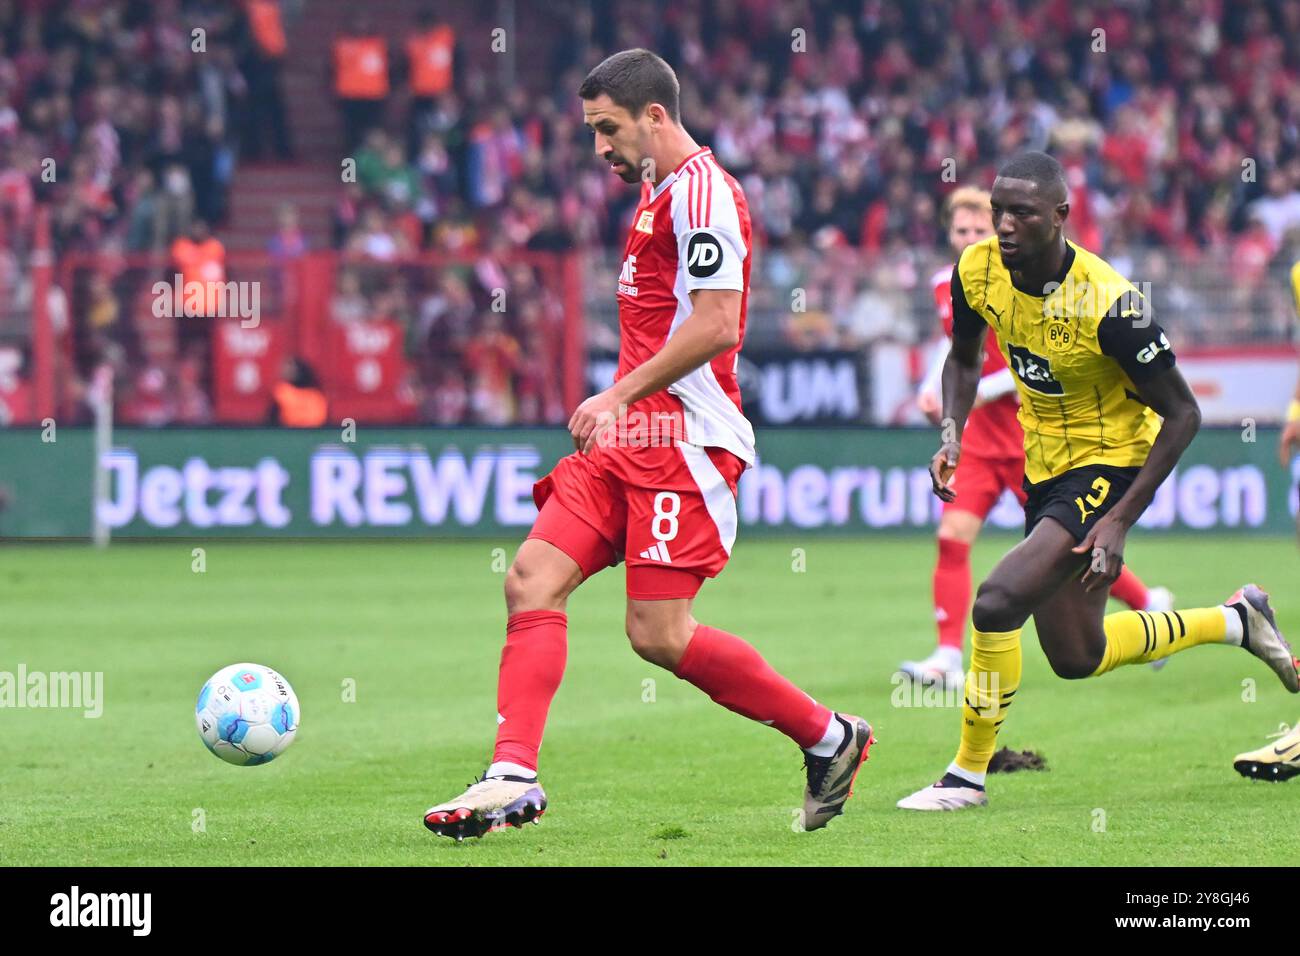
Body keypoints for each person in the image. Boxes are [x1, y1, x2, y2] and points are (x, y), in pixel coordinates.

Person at [423, 49, 873, 841]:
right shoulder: (656, 190)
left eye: (608, 129)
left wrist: (617, 391)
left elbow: (717, 322)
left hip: (685, 440)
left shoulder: (704, 194)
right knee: (531, 579)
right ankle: (513, 775)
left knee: (657, 635)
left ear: (654, 117)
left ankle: (830, 737)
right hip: (629, 439)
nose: (599, 147)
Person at [897, 152, 1298, 812]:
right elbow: (963, 360)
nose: (1002, 226)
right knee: (1077, 655)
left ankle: (966, 777)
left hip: (1111, 467)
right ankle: (1235, 621)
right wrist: (952, 432)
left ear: (1060, 218)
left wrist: (1119, 518)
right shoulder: (978, 271)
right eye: (998, 211)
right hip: (1044, 466)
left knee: (996, 602)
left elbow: (1184, 413)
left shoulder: (1111, 305)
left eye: (1021, 213)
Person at [902, 185, 1172, 689]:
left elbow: (1027, 364)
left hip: (1040, 439)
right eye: (961, 230)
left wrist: (978, 393)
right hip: (982, 443)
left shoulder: (1046, 281)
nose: (974, 237)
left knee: (1064, 553)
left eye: (979, 229)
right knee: (953, 538)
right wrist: (932, 395)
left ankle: (1146, 603)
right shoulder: (955, 280)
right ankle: (946, 657)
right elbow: (958, 352)